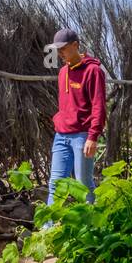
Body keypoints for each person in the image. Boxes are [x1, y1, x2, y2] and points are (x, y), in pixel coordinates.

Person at [46, 27, 106, 204]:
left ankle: (94, 223)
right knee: (55, 183)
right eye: (57, 50)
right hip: (61, 135)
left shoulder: (93, 71)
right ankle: (48, 228)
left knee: (83, 182)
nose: (60, 53)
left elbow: (99, 106)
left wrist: (93, 136)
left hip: (82, 135)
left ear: (75, 45)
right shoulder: (63, 72)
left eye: (63, 48)